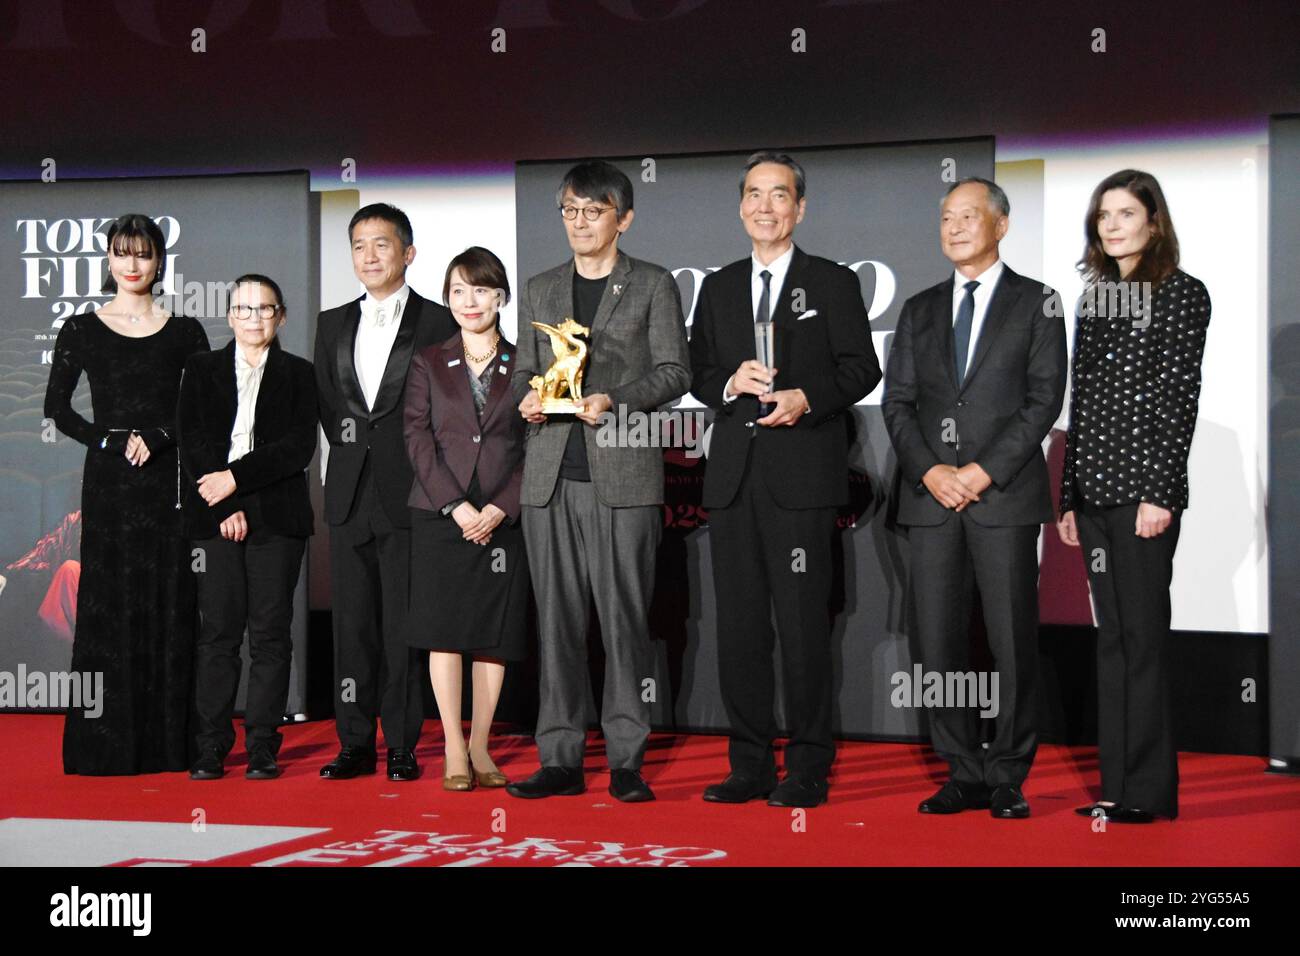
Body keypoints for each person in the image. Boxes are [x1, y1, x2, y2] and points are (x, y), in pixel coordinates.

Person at [689, 151, 881, 808]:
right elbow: (695, 369)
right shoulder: (718, 287)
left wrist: (807, 397)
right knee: (739, 630)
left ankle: (807, 765)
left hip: (802, 479)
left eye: (778, 195)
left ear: (799, 207)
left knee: (803, 630)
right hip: (733, 482)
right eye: (753, 194)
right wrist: (726, 382)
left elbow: (862, 368)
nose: (764, 206)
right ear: (740, 205)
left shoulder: (831, 282)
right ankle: (748, 764)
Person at [882, 177, 1066, 819]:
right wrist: (931, 470)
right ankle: (961, 769)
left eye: (969, 216)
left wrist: (983, 472)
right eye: (946, 218)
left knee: (1011, 640)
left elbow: (1044, 399)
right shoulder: (919, 308)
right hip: (931, 499)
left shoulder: (1039, 302)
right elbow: (898, 402)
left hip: (1003, 497)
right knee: (937, 642)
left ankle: (1009, 772)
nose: (955, 227)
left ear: (1001, 225)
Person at [507, 160, 690, 803]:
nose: (579, 222)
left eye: (593, 210)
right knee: (555, 625)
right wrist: (529, 398)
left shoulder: (653, 284)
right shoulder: (540, 288)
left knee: (623, 624)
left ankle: (625, 760)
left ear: (624, 218)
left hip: (623, 474)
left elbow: (675, 372)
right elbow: (526, 370)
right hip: (549, 479)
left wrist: (614, 399)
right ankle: (559, 756)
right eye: (570, 210)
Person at [1057, 170, 1210, 824]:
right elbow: (1083, 402)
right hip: (1093, 493)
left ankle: (1148, 792)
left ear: (1154, 220)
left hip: (1144, 496)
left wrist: (1160, 492)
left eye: (1125, 213)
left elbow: (1179, 397)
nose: (1113, 225)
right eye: (1104, 215)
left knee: (1143, 640)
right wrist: (1067, 496)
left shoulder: (1181, 292)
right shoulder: (1095, 299)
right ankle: (1116, 787)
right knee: (1113, 641)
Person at [43, 212, 210, 774]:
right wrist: (111, 440)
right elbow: (57, 408)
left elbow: (203, 408)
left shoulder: (186, 332)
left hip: (168, 484)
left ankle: (170, 744)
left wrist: (161, 436)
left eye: (143, 253)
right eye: (122, 252)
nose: (132, 264)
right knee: (109, 605)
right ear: (109, 260)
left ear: (160, 261)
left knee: (171, 600)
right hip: (111, 485)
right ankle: (106, 746)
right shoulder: (80, 329)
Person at [314, 204, 456, 781]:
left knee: (402, 625)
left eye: (381, 244)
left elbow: (447, 411)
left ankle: (401, 743)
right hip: (348, 492)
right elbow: (330, 407)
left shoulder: (439, 321)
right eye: (359, 245)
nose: (369, 256)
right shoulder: (330, 323)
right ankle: (353, 743)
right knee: (351, 625)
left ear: (408, 253)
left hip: (412, 492)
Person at [178, 275, 318, 780]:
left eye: (264, 309)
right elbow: (192, 441)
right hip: (214, 516)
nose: (253, 318)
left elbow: (297, 448)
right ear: (230, 315)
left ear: (281, 316)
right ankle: (211, 746)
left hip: (277, 517)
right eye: (243, 308)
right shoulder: (201, 369)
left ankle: (262, 744)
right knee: (217, 635)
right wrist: (224, 505)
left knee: (270, 635)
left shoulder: (299, 373)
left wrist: (235, 480)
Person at [403, 247, 527, 791]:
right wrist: (455, 506)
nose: (469, 301)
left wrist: (501, 506)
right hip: (440, 514)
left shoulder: (527, 363)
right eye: (458, 290)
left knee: (491, 636)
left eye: (480, 289)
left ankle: (480, 745)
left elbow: (536, 442)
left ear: (501, 296)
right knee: (444, 632)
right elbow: (416, 437)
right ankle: (454, 745)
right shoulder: (428, 360)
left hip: (503, 515)